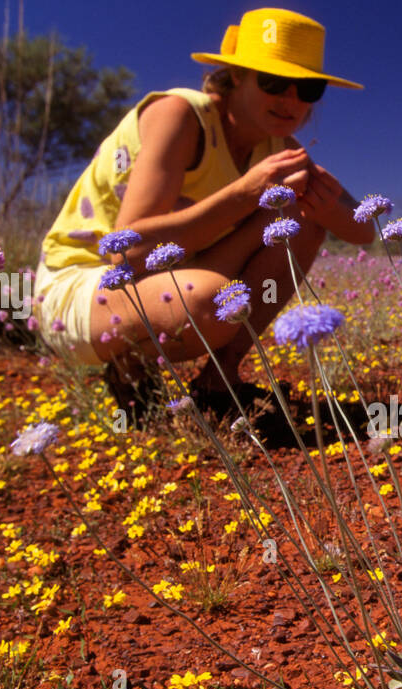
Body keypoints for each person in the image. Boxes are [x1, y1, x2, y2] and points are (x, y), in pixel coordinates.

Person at [34, 7, 375, 420]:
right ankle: (132, 368)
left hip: (177, 281)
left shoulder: (278, 149)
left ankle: (219, 383)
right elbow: (126, 254)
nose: (290, 100)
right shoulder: (180, 115)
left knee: (298, 223)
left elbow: (364, 230)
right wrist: (244, 195)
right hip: (84, 290)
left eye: (308, 89)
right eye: (273, 82)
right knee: (216, 301)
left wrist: (325, 206)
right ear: (235, 76)